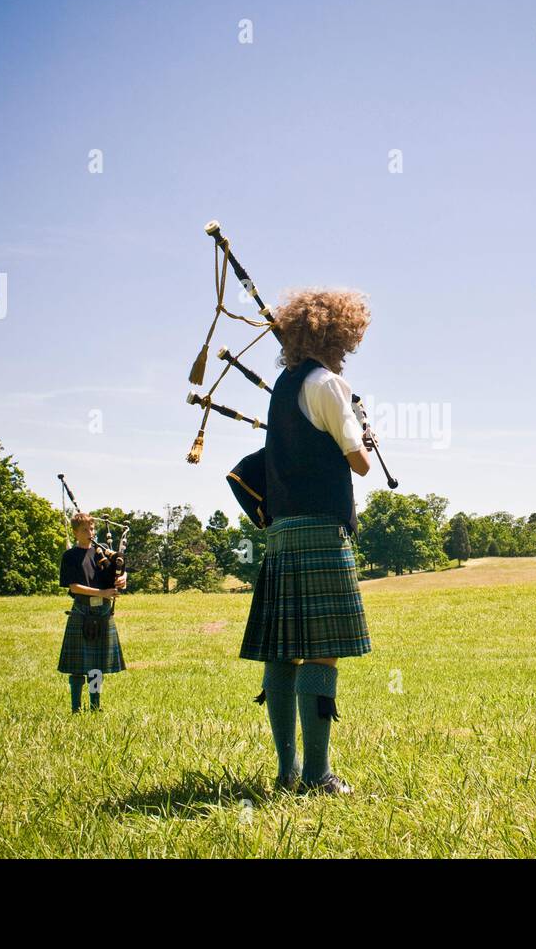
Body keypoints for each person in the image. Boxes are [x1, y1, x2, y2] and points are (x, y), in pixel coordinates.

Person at [240, 289, 374, 795]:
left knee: (281, 654)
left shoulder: (283, 385)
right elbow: (357, 462)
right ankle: (318, 777)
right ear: (338, 334)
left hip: (281, 532)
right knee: (321, 654)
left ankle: (286, 772)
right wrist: (363, 435)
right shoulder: (329, 383)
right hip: (321, 531)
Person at [57, 512, 127, 711]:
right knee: (77, 666)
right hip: (82, 610)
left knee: (97, 666)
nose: (90, 533)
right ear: (76, 533)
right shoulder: (70, 556)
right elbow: (74, 587)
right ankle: (76, 708)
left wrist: (123, 579)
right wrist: (103, 592)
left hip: (102, 612)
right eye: (85, 530)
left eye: (92, 529)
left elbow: (119, 569)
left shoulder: (102, 552)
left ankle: (95, 706)